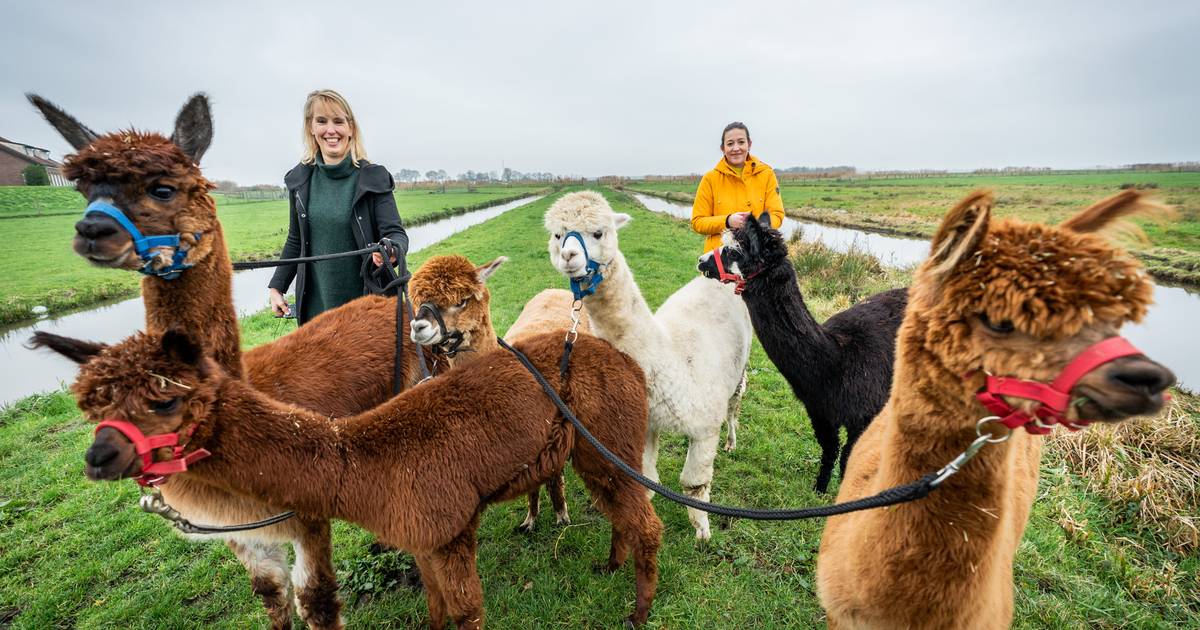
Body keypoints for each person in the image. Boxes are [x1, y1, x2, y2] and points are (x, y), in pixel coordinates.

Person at [267, 89, 408, 325]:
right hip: (316, 309)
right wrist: (276, 286)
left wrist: (390, 250)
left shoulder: (373, 177)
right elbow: (295, 240)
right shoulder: (300, 179)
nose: (330, 130)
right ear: (311, 128)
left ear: (350, 128)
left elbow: (396, 234)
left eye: (338, 121)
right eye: (321, 121)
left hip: (367, 308)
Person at [690, 121, 785, 253]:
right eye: (730, 144)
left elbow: (777, 215)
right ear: (723, 148)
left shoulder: (767, 174)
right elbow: (698, 222)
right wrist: (727, 221)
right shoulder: (710, 179)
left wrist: (755, 229)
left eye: (741, 142)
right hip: (720, 258)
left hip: (756, 257)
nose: (736, 148)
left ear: (749, 144)